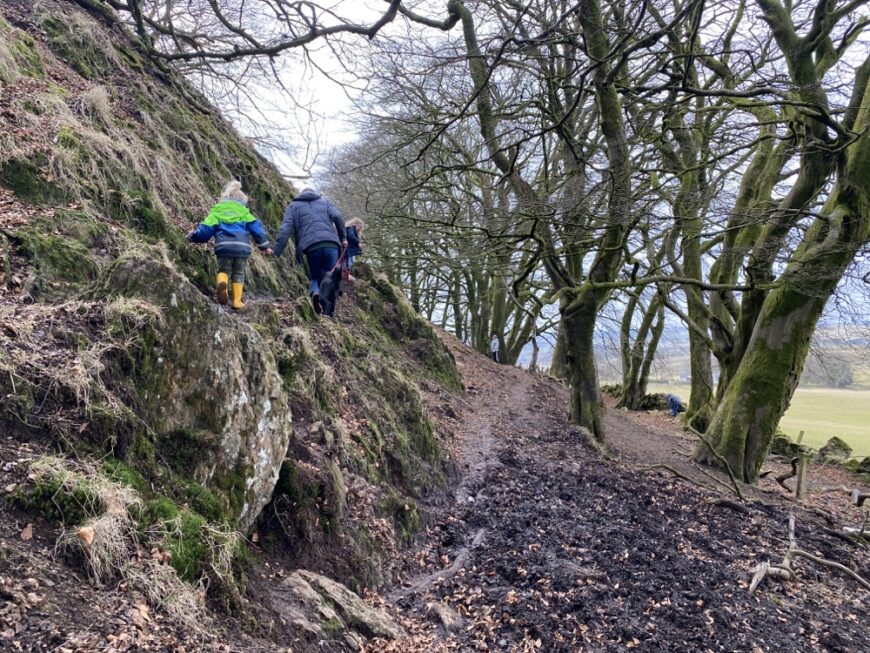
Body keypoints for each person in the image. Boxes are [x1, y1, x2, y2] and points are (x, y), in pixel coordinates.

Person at [187, 180, 272, 310]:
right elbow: (257, 230)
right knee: (239, 273)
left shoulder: (218, 211)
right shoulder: (244, 213)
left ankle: (222, 282)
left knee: (223, 270)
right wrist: (264, 246)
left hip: (223, 247)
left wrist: (194, 236)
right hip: (242, 248)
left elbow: (206, 230)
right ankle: (236, 301)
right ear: (242, 201)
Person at [273, 188, 347, 315]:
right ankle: (329, 313)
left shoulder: (293, 206)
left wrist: (276, 252)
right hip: (331, 243)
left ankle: (315, 292)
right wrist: (343, 237)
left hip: (311, 246)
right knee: (330, 277)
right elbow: (338, 217)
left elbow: (285, 229)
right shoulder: (325, 202)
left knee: (316, 276)